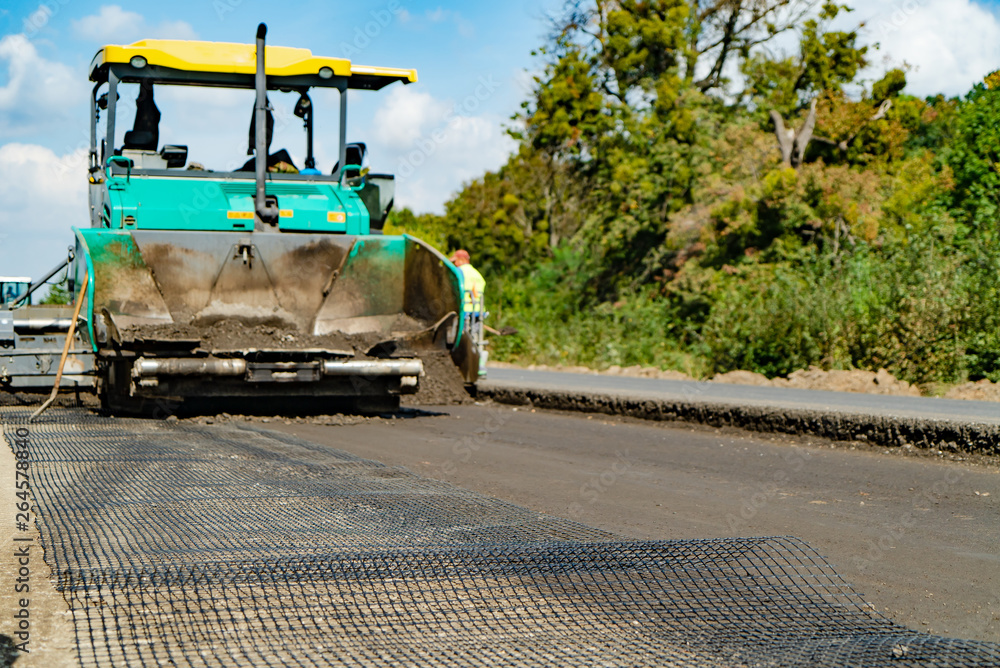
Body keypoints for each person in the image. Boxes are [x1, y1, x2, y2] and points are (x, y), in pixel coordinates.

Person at [449, 249, 485, 314]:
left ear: (462, 260)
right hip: (478, 311)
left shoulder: (458, 272)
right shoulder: (478, 274)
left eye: (455, 261)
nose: (454, 264)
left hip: (463, 310)